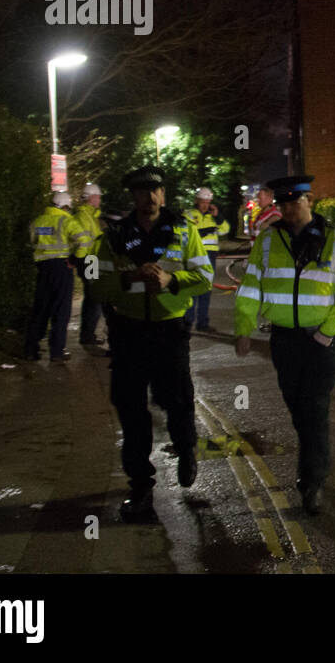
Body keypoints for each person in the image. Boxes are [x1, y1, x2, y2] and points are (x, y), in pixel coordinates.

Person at [233, 175, 335, 514]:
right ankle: (314, 465)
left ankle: (312, 481)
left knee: (315, 408)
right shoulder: (267, 241)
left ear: (310, 200)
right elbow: (250, 287)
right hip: (284, 340)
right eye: (284, 203)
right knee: (299, 409)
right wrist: (244, 328)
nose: (289, 209)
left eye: (296, 201)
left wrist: (328, 331)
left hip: (319, 340)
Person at [89, 166, 212, 522]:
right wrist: (127, 278)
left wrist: (172, 278)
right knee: (130, 408)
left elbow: (203, 279)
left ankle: (187, 449)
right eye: (143, 191)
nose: (150, 197)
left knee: (178, 399)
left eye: (156, 190)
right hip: (128, 332)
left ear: (164, 194)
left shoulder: (183, 232)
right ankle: (140, 486)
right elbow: (97, 283)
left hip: (169, 329)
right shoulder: (114, 237)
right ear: (134, 197)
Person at [24, 191, 84, 362]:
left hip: (43, 268)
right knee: (61, 310)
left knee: (40, 308)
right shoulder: (66, 221)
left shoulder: (38, 221)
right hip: (62, 268)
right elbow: (84, 242)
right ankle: (57, 351)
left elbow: (32, 242)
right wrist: (75, 259)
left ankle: (30, 349)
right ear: (65, 206)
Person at [184, 186, 229, 333]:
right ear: (197, 200)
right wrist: (202, 232)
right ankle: (188, 322)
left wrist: (218, 217)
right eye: (203, 201)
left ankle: (202, 323)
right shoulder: (189, 214)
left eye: (208, 201)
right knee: (192, 287)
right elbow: (185, 231)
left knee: (205, 289)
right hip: (194, 254)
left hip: (210, 255)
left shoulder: (213, 216)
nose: (205, 204)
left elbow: (225, 229)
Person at [74, 182, 106, 349]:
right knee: (94, 298)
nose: (99, 199)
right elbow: (83, 242)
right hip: (89, 260)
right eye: (98, 197)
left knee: (94, 298)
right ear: (91, 198)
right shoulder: (84, 216)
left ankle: (88, 334)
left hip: (92, 260)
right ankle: (87, 335)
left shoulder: (92, 216)